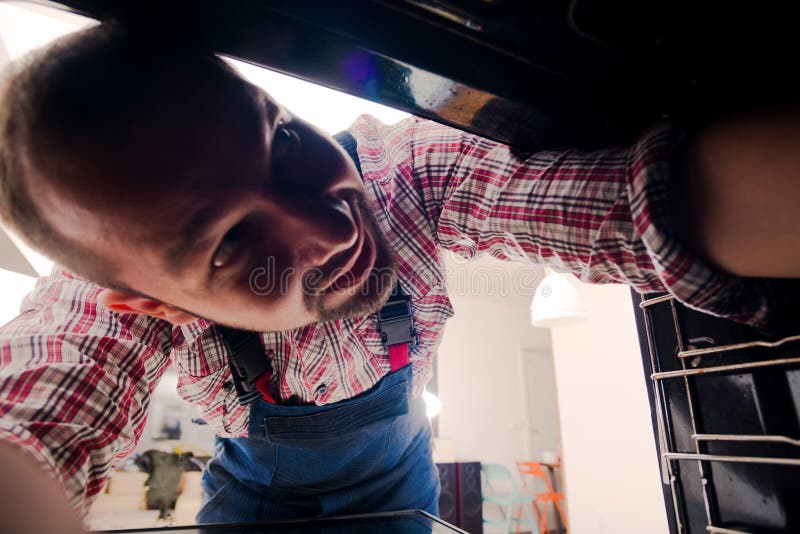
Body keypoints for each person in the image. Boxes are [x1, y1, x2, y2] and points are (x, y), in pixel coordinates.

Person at [0, 23, 799, 532]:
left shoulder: (404, 171)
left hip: (395, 483)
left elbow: (633, 206)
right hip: (254, 495)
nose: (332, 228)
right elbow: (44, 409)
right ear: (152, 301)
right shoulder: (106, 290)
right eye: (232, 242)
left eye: (281, 143)